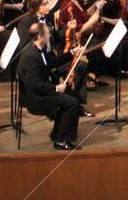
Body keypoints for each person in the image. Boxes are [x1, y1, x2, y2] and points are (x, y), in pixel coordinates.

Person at [16, 20, 84, 149]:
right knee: (71, 103)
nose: (49, 36)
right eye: (47, 33)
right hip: (36, 97)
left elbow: (52, 62)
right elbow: (35, 84)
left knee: (73, 96)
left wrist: (71, 53)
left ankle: (58, 133)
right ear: (40, 36)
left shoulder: (37, 49)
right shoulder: (31, 55)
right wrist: (56, 88)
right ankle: (61, 141)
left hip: (43, 90)